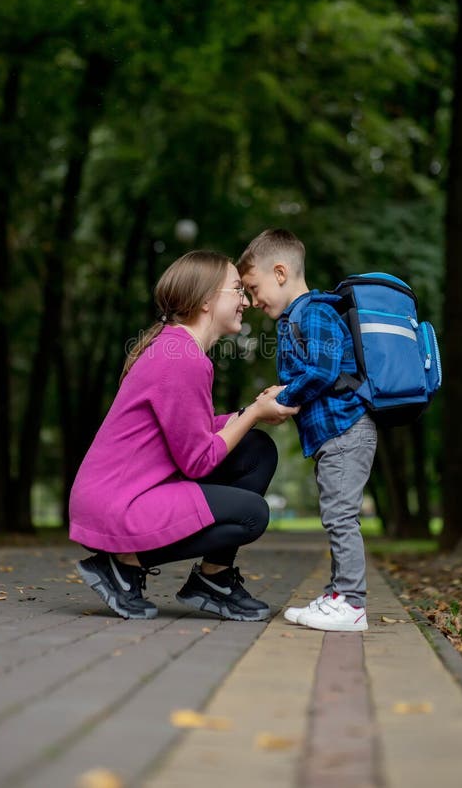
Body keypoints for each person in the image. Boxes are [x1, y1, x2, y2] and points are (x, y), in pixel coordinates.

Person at [69, 250, 299, 622]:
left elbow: (194, 429)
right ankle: (122, 566)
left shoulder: (177, 347)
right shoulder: (182, 358)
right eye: (236, 290)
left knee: (256, 449)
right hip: (118, 505)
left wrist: (251, 413)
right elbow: (197, 461)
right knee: (252, 515)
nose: (244, 301)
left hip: (129, 493)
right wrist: (255, 413)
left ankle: (214, 580)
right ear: (207, 299)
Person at [237, 229, 377, 631]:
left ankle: (351, 603)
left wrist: (286, 396)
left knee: (340, 516)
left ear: (280, 272)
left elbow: (323, 369)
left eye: (254, 287)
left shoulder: (314, 312)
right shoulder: (297, 318)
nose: (252, 299)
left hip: (346, 430)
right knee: (336, 514)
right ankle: (338, 595)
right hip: (333, 435)